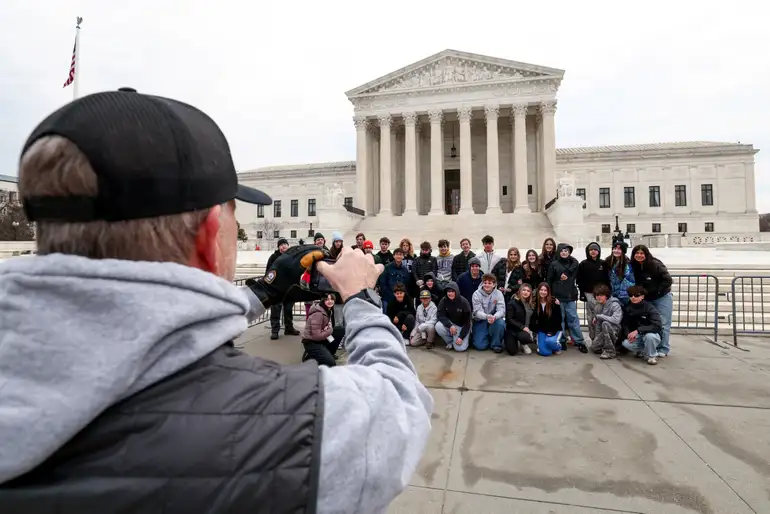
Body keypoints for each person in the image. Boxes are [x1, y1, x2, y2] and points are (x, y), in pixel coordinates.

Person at [0, 89, 433, 513]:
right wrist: (359, 296)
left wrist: (262, 292)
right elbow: (399, 405)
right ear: (209, 237)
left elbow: (138, 325)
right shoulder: (296, 423)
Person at [630, 245, 673, 358]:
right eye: (637, 253)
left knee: (663, 322)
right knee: (647, 322)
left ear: (646, 254)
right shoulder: (634, 266)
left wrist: (658, 292)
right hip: (647, 298)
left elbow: (668, 280)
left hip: (662, 297)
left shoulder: (655, 264)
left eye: (642, 253)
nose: (639, 255)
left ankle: (663, 348)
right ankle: (649, 347)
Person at [547, 243, 587, 353]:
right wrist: (551, 295)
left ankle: (579, 341)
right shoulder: (554, 264)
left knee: (573, 319)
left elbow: (576, 266)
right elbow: (549, 280)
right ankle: (562, 339)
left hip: (570, 295)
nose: (564, 253)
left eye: (566, 251)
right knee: (561, 319)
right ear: (558, 252)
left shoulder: (573, 264)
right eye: (562, 251)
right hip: (558, 296)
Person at [266, 238, 300, 340]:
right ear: (278, 247)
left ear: (288, 245)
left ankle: (289, 328)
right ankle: (275, 330)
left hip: (289, 288)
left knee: (288, 309)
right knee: (276, 309)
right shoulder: (273, 257)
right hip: (277, 288)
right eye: (281, 245)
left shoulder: (292, 256)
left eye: (285, 244)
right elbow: (268, 272)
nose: (283, 246)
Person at [621, 285, 664, 365]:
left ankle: (652, 356)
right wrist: (628, 334)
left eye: (636, 295)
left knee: (649, 337)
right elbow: (625, 324)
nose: (633, 297)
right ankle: (642, 351)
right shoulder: (627, 308)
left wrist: (638, 330)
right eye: (631, 295)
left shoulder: (650, 308)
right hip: (638, 335)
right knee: (626, 343)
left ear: (642, 297)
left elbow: (657, 325)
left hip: (651, 333)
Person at [302, 293, 344, 367]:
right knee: (331, 363)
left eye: (332, 299)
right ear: (323, 301)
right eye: (327, 299)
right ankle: (309, 356)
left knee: (340, 330)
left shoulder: (328, 310)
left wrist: (327, 330)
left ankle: (329, 353)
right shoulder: (318, 314)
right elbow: (317, 336)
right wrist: (330, 330)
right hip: (311, 342)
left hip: (322, 338)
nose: (330, 301)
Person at [576, 242, 609, 334]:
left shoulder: (603, 263)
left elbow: (607, 279)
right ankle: (593, 337)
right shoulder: (583, 264)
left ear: (599, 251)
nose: (593, 251)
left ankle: (601, 336)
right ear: (588, 251)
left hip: (601, 294)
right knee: (591, 316)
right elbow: (579, 280)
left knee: (601, 316)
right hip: (589, 294)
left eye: (595, 250)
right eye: (591, 250)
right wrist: (582, 293)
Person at [471, 274, 506, 352]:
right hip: (480, 320)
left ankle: (496, 344)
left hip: (494, 319)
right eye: (485, 283)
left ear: (494, 285)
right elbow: (477, 311)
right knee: (480, 346)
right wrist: (487, 316)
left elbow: (501, 310)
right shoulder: (476, 294)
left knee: (501, 323)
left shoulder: (499, 294)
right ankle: (485, 337)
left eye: (489, 283)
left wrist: (495, 317)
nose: (487, 285)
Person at [435, 282, 472, 352]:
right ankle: (451, 342)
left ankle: (464, 338)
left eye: (452, 291)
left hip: (462, 326)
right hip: (451, 324)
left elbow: (468, 322)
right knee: (438, 326)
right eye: (448, 292)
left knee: (460, 348)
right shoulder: (444, 300)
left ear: (456, 291)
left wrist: (461, 337)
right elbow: (440, 315)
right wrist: (450, 325)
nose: (450, 293)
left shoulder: (464, 302)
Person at [590, 284, 623, 360]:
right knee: (594, 347)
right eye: (597, 295)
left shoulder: (615, 305)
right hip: (604, 331)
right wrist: (596, 338)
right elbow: (598, 325)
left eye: (601, 295)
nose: (599, 297)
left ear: (606, 295)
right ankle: (612, 347)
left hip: (617, 331)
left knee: (605, 323)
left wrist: (600, 316)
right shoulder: (598, 307)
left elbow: (616, 320)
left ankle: (610, 352)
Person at [530, 282, 563, 356]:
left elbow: (558, 320)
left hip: (554, 329)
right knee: (546, 353)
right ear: (538, 290)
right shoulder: (535, 302)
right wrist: (535, 329)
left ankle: (557, 347)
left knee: (550, 342)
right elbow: (533, 318)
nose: (543, 292)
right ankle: (546, 347)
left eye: (545, 290)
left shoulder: (554, 302)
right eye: (541, 290)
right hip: (542, 330)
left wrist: (552, 332)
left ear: (548, 292)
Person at [377, 247, 411, 313]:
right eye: (397, 254)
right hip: (388, 298)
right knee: (386, 316)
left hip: (400, 299)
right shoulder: (387, 267)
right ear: (393, 256)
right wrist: (390, 294)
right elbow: (383, 283)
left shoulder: (405, 270)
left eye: (400, 255)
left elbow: (407, 284)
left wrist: (401, 296)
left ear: (403, 256)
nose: (399, 256)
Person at [504, 283, 535, 355]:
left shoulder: (532, 303)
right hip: (513, 329)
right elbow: (509, 319)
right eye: (524, 290)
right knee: (512, 351)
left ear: (530, 293)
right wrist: (522, 327)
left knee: (525, 337)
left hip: (524, 330)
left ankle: (523, 343)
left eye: (528, 291)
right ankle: (512, 339)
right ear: (520, 291)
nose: (526, 292)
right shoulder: (512, 302)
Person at [605, 241, 635, 305]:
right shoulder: (608, 261)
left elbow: (629, 280)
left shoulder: (627, 263)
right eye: (615, 248)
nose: (616, 251)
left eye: (619, 249)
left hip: (622, 295)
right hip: (610, 293)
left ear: (623, 251)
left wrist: (621, 294)